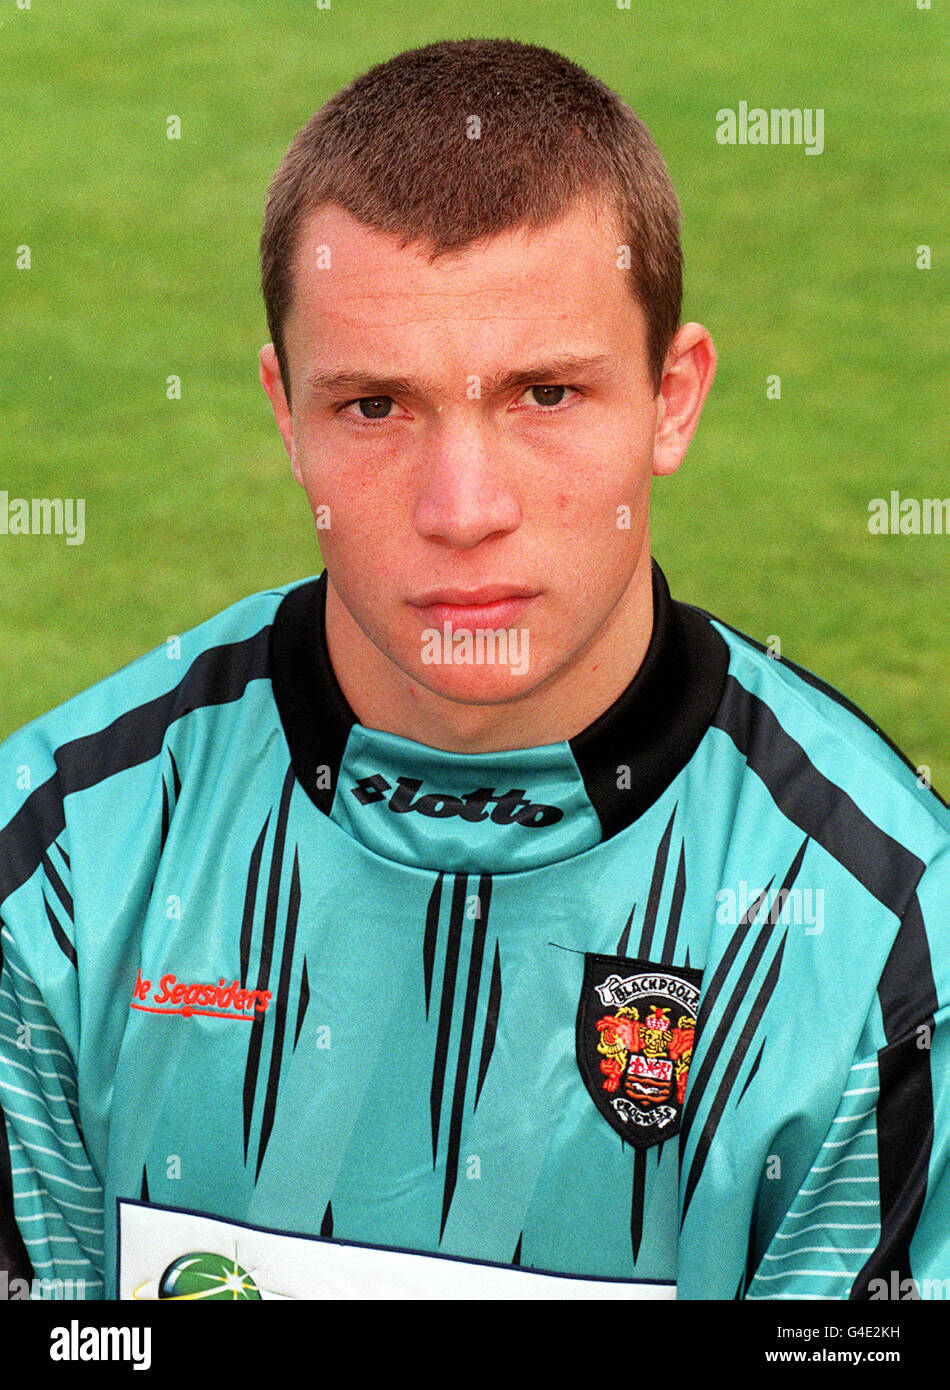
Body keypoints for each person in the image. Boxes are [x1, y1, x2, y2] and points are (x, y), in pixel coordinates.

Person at [0, 38, 945, 1303]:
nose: (462, 507)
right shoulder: (55, 872)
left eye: (544, 393)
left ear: (673, 398)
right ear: (285, 413)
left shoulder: (890, 942)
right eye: (374, 407)